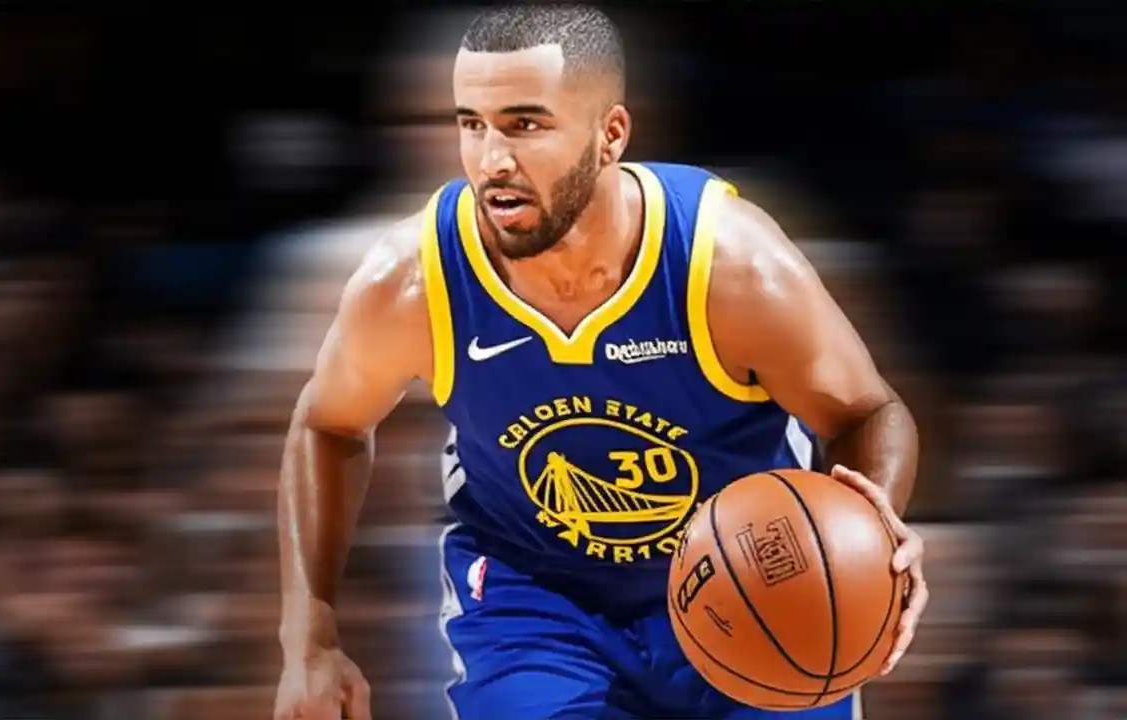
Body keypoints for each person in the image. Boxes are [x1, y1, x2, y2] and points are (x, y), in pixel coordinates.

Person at [274, 4, 928, 719]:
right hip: (538, 606)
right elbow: (327, 426)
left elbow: (867, 411)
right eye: (471, 123)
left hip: (757, 578)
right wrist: (310, 638)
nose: (493, 159)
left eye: (525, 124)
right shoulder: (411, 282)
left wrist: (870, 540)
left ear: (610, 133)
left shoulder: (729, 267)